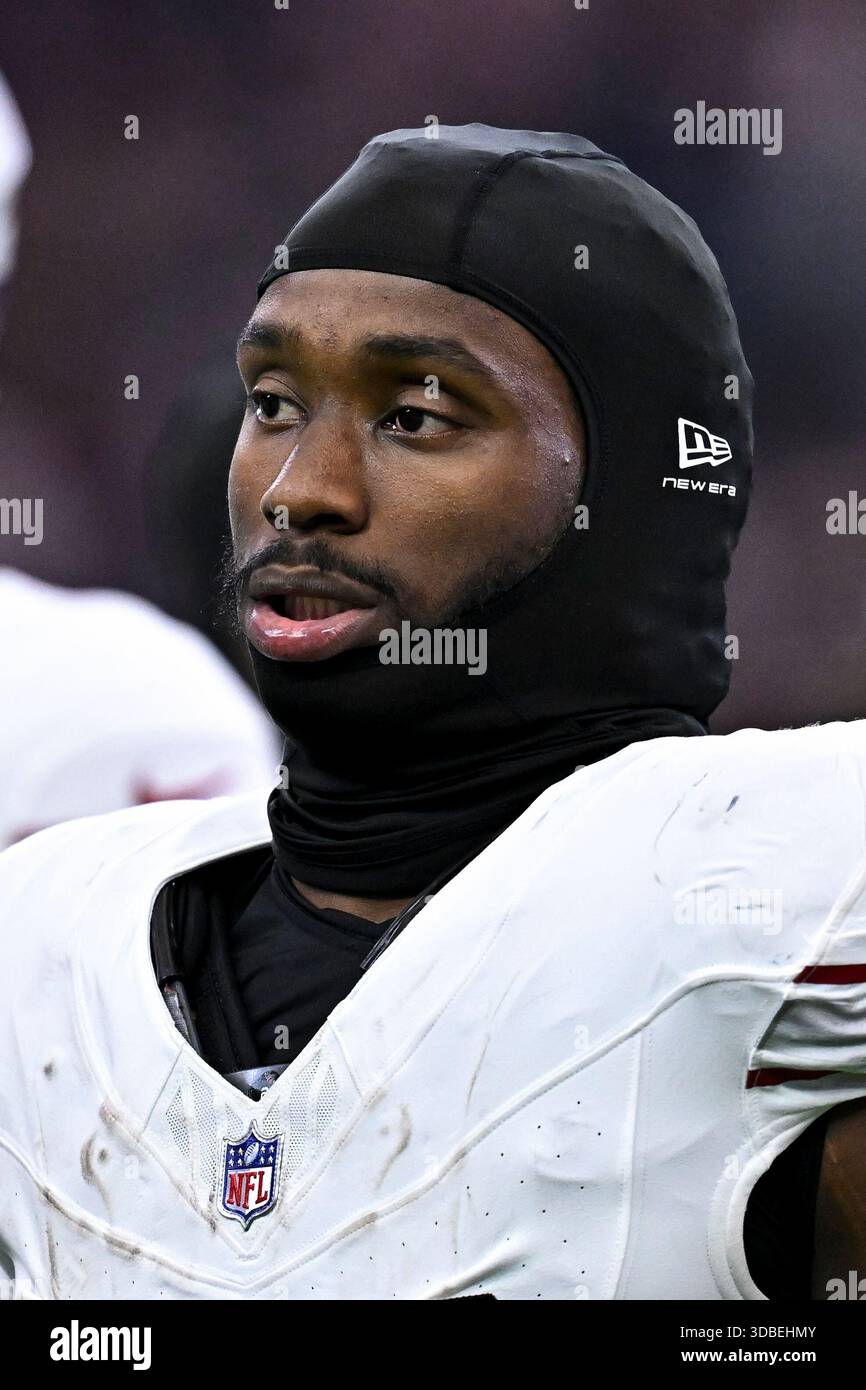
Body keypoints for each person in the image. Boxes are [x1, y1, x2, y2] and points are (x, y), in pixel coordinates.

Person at [1, 124, 864, 1301]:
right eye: (270, 401)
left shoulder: (761, 871)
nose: (303, 491)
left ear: (633, 490)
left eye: (416, 416)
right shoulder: (45, 929)